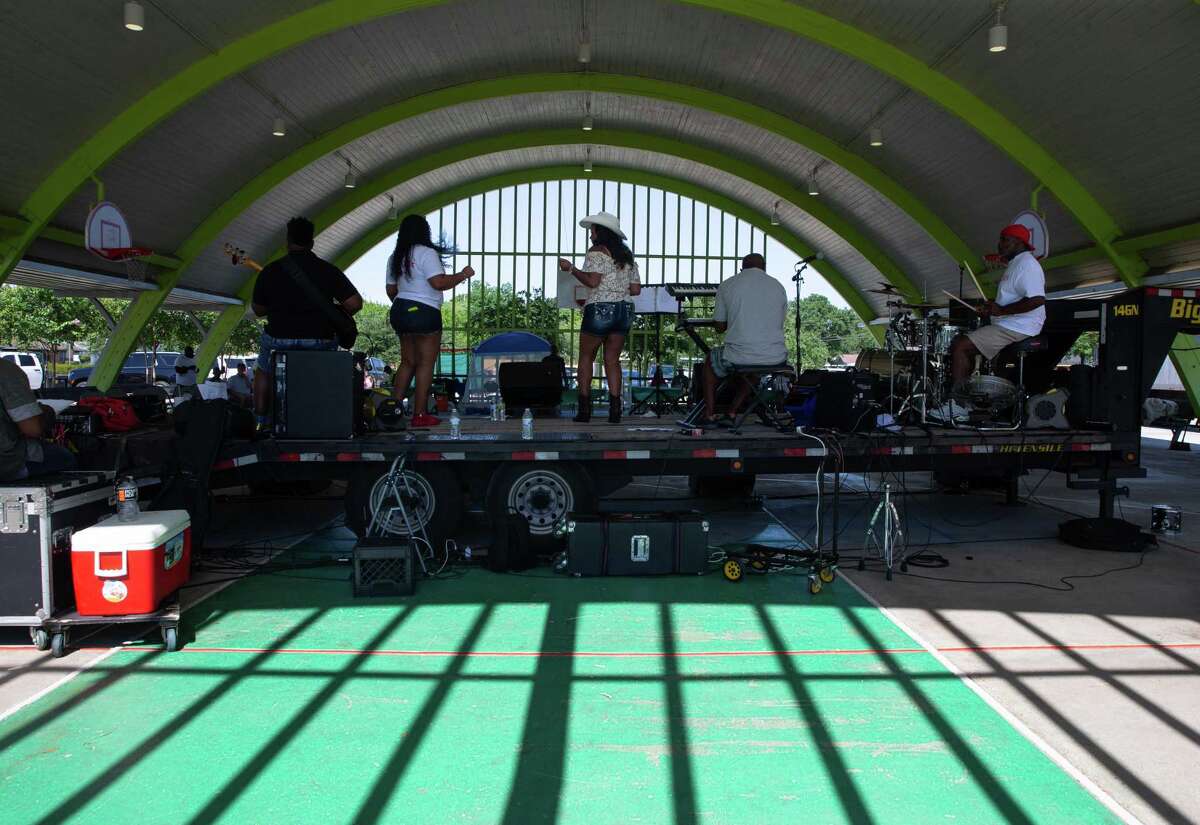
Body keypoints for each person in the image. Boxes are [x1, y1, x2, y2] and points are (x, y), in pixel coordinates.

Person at [251, 216, 363, 427]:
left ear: (288, 240)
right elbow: (355, 303)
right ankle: (325, 419)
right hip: (319, 338)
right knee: (327, 369)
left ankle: (260, 421)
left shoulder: (271, 271)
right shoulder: (327, 269)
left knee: (263, 369)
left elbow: (257, 309)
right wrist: (333, 310)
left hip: (279, 338)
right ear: (311, 242)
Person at [386, 214, 475, 428]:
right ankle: (419, 414)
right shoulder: (427, 253)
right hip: (424, 312)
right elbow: (438, 282)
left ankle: (392, 411)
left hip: (399, 309)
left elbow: (391, 290)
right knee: (425, 363)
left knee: (407, 362)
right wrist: (462, 275)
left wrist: (407, 305)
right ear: (425, 232)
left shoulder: (395, 256)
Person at [558, 212, 641, 424]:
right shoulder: (627, 256)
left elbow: (592, 282)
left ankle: (584, 411)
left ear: (600, 232)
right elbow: (635, 289)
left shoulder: (596, 252)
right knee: (612, 361)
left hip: (600, 310)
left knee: (586, 357)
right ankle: (615, 412)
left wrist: (571, 269)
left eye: (592, 231)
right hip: (624, 311)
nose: (590, 235)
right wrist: (617, 290)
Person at [696, 253, 788, 427]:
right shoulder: (778, 286)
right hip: (774, 356)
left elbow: (720, 327)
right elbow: (780, 321)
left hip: (740, 355)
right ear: (764, 268)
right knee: (753, 371)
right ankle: (732, 411)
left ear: (741, 268)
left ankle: (709, 415)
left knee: (711, 360)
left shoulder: (729, 284)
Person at [950, 224, 1046, 385]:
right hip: (1010, 323)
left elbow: (1037, 300)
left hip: (1020, 326)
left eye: (1004, 240)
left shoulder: (1027, 264)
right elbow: (1012, 299)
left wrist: (1001, 310)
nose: (1000, 244)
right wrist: (992, 308)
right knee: (964, 346)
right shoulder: (1015, 264)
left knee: (961, 346)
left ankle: (958, 403)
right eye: (1000, 240)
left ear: (1019, 242)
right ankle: (971, 393)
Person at [1, 357, 76, 481]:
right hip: (6, 463)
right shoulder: (6, 370)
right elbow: (32, 429)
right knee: (66, 457)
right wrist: (46, 412)